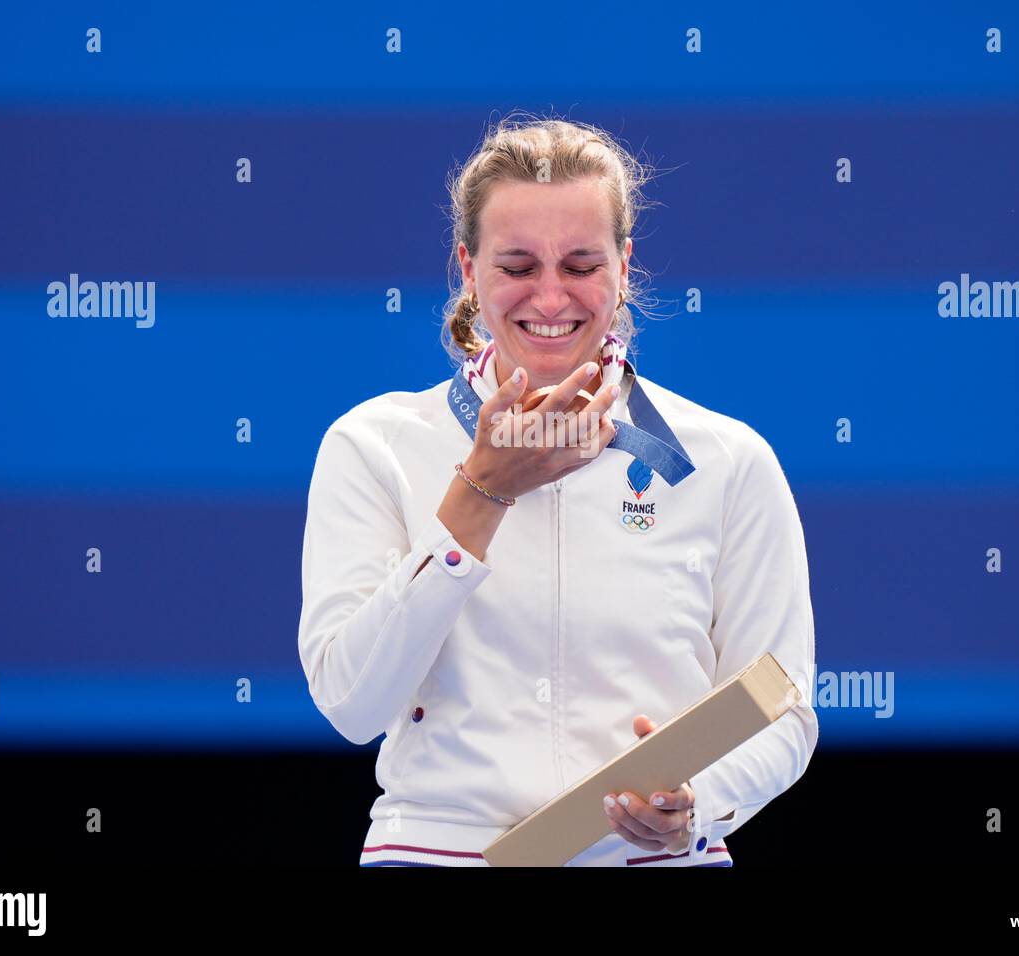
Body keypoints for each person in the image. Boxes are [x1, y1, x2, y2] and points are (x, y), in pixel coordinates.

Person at [298, 114, 818, 867]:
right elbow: (351, 703)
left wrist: (698, 806)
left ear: (624, 267)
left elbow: (783, 710)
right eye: (516, 266)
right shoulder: (374, 445)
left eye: (580, 264)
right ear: (468, 269)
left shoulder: (728, 460)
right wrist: (480, 493)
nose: (550, 297)